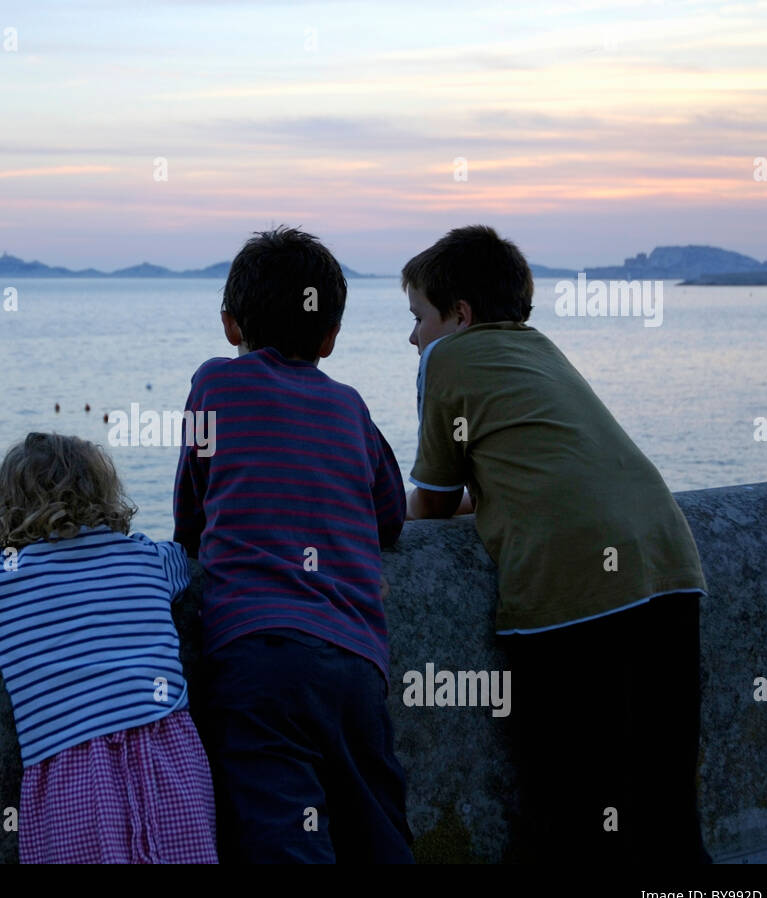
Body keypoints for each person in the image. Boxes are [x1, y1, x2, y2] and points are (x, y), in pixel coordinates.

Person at [402, 224, 711, 863]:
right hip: (669, 562)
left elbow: (431, 503)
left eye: (419, 317)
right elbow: (536, 471)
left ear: (459, 315)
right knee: (666, 803)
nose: (414, 337)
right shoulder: (540, 348)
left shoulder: (448, 358)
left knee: (571, 802)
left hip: (572, 587)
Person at [173, 225, 414, 863]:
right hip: (355, 660)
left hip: (257, 657)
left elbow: (189, 518)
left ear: (231, 325)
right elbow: (389, 515)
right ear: (330, 337)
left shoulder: (213, 386)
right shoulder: (350, 407)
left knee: (283, 839)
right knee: (379, 831)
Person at [0, 432, 217, 864]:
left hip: (72, 771)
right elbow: (182, 559)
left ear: (8, 506)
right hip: (170, 753)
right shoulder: (147, 560)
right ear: (103, 491)